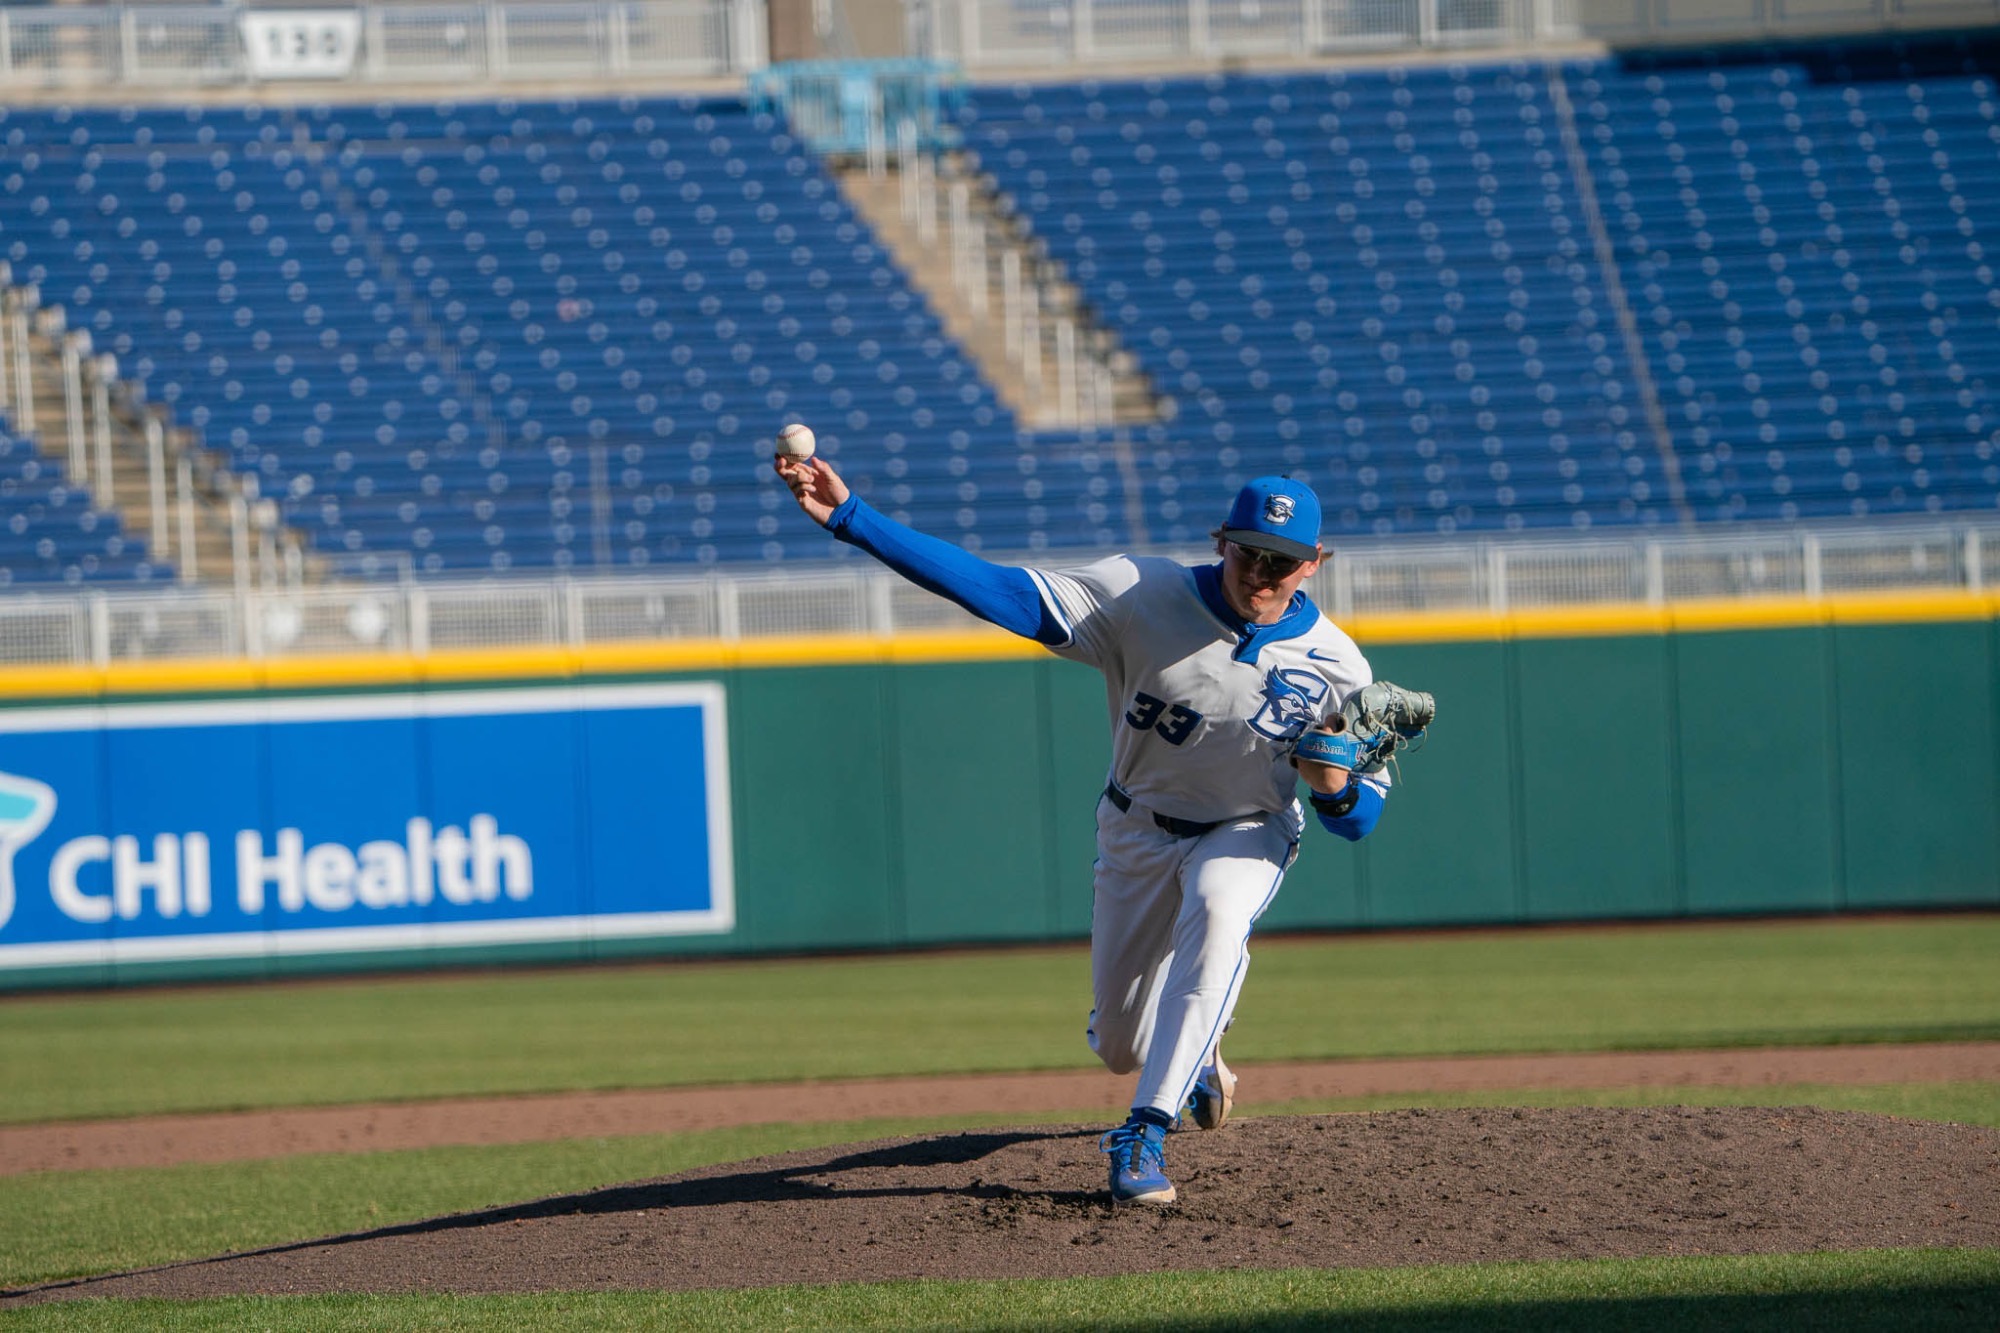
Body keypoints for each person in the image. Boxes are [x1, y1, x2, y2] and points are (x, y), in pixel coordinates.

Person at [776, 446, 1391, 1205]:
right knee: (1121, 1044)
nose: (1263, 573)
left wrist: (1333, 789)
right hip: (1135, 827)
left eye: (1284, 561)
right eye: (1251, 553)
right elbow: (1000, 591)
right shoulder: (1141, 592)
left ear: (1315, 563)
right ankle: (1194, 1055)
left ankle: (1144, 1131)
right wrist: (853, 518)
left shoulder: (1340, 667)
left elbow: (1360, 820)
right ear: (1218, 541)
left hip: (1247, 825)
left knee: (1222, 910)